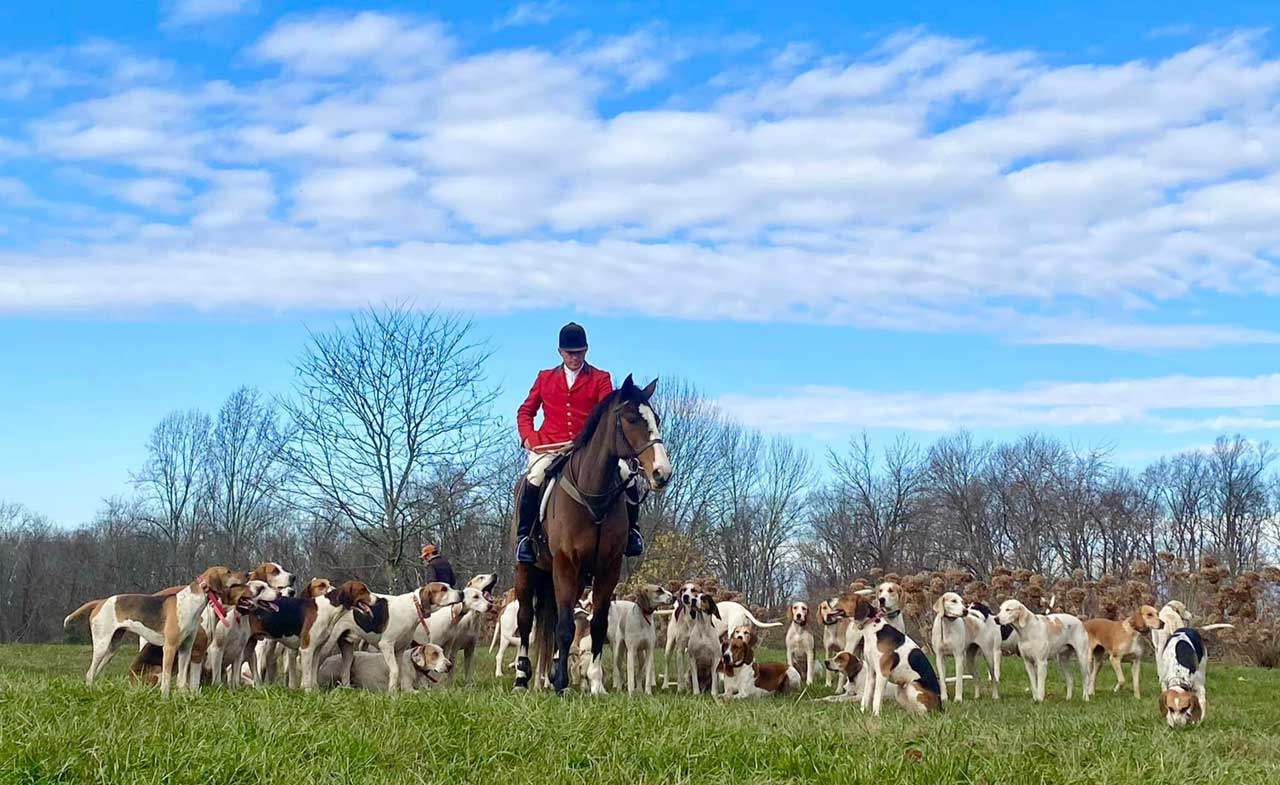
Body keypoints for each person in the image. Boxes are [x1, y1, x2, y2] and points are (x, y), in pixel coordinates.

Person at [513, 321, 644, 564]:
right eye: (570, 353)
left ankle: (633, 532)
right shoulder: (545, 378)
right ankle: (525, 538)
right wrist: (529, 438)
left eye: (580, 353)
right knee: (535, 476)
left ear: (586, 350)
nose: (575, 358)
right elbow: (525, 412)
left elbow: (609, 413)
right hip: (551, 445)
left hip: (587, 447)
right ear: (560, 352)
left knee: (628, 474)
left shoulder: (600, 378)